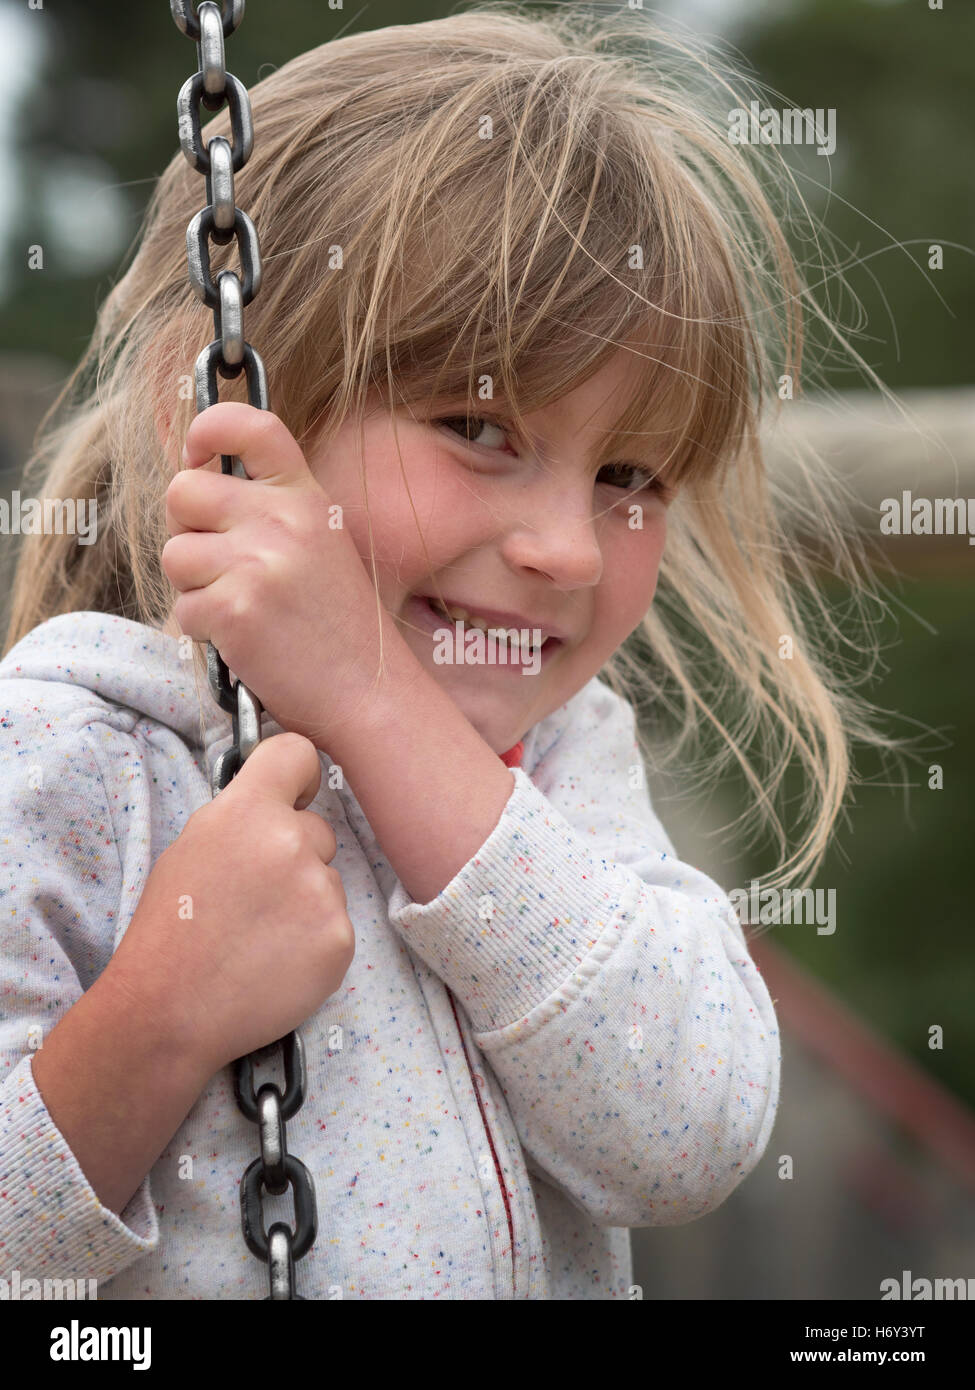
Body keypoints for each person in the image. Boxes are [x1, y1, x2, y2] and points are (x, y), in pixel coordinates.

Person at [0, 4, 896, 1299]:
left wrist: (370, 693)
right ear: (222, 410)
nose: (569, 551)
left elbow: (690, 1127)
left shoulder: (569, 771)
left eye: (629, 472)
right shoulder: (70, 747)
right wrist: (157, 1016)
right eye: (478, 424)